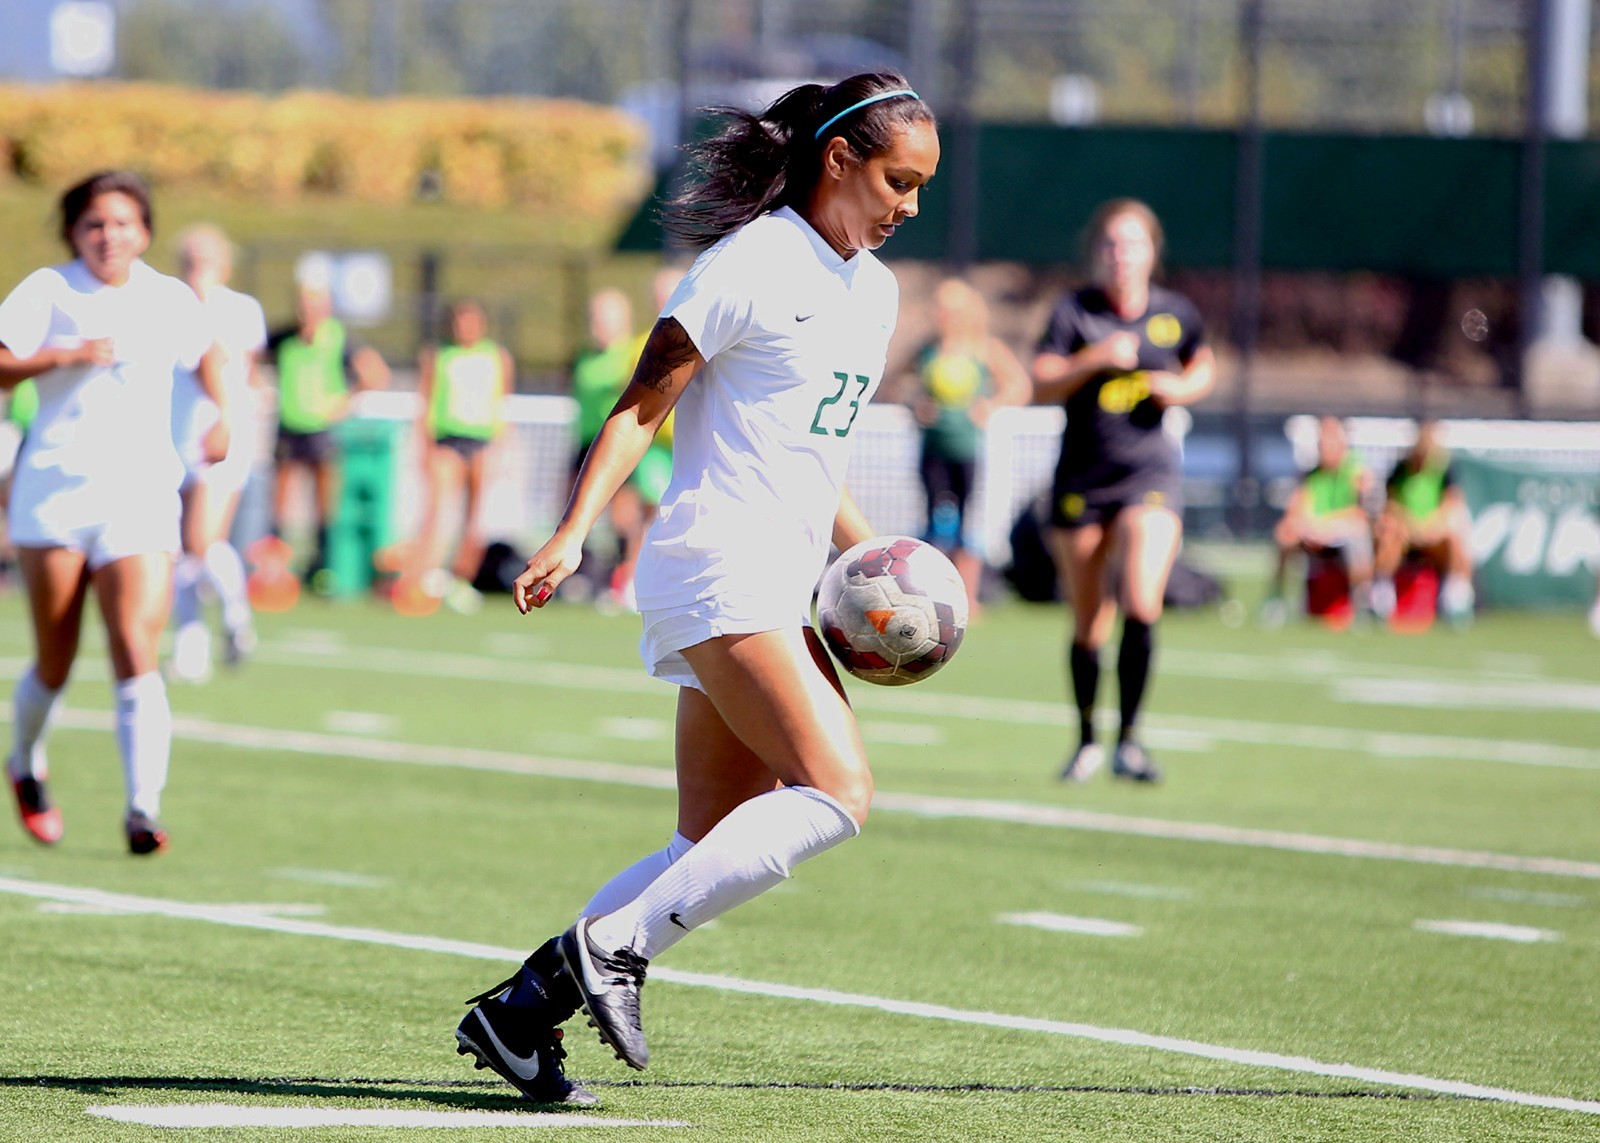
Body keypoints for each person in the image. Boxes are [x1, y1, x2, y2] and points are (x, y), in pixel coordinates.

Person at [452, 73, 939, 1105]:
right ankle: (614, 950)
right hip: (723, 562)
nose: (907, 207)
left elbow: (815, 459)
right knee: (837, 792)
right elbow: (642, 404)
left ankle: (520, 1013)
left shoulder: (875, 289)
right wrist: (574, 531)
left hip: (779, 574)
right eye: (896, 180)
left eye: (922, 190)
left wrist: (883, 563)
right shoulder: (752, 262)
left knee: (708, 832)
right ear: (838, 160)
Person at [0, 170, 219, 854]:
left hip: (141, 494)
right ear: (75, 231)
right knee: (56, 659)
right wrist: (64, 354)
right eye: (95, 224)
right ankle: (25, 765)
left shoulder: (168, 296)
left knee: (134, 645)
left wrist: (224, 416)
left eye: (122, 223)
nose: (108, 236)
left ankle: (141, 809)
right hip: (55, 491)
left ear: (145, 231)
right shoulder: (49, 289)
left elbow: (209, 355)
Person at [1032, 198, 1215, 785]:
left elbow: (1203, 365)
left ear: (1152, 252)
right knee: (1089, 623)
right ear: (1098, 252)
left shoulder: (1175, 313)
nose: (1121, 255)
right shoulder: (1074, 311)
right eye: (1112, 243)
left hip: (1148, 477)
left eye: (1133, 243)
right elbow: (1040, 381)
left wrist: (1181, 388)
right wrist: (1095, 358)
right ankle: (1088, 740)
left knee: (1141, 600)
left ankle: (1130, 742)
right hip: (1082, 481)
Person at [893, 277, 1028, 614]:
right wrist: (916, 404)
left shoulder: (984, 348)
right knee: (934, 523)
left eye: (951, 309)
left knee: (969, 523)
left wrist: (990, 406)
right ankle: (927, 593)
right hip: (932, 448)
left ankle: (967, 597)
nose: (944, 316)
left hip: (970, 449)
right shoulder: (927, 349)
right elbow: (894, 384)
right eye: (940, 309)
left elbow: (1019, 385)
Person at [168, 224, 268, 681]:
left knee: (201, 540)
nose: (196, 270)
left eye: (205, 261)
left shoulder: (239, 309)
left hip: (221, 437)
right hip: (173, 439)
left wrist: (229, 421)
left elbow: (232, 367)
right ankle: (192, 647)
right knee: (180, 549)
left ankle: (235, 615)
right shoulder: (168, 307)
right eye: (190, 261)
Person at [265, 278, 389, 588]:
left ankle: (322, 569)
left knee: (323, 504)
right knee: (279, 502)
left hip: (322, 430)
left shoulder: (338, 338)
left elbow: (375, 373)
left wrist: (344, 402)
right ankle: (276, 569)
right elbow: (252, 360)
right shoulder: (284, 338)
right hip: (289, 426)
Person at [409, 297, 514, 612]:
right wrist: (423, 445)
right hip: (447, 440)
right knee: (438, 510)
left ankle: (462, 578)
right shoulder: (437, 355)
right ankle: (424, 575)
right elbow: (425, 401)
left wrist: (501, 446)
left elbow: (501, 402)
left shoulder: (496, 356)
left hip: (481, 440)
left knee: (474, 516)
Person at [567, 287, 651, 608]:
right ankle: (583, 576)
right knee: (576, 514)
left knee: (624, 517)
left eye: (606, 319)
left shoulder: (632, 354)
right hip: (585, 443)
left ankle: (624, 580)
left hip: (617, 445)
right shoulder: (585, 358)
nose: (599, 326)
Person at [1262, 415, 1376, 626]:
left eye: (1329, 440)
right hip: (1316, 534)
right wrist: (1309, 527)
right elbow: (1297, 510)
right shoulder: (1309, 475)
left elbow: (1360, 514)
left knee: (1359, 537)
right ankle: (1276, 599)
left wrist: (1327, 526)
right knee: (1285, 533)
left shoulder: (1357, 472)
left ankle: (1362, 602)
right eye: (1321, 441)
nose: (1324, 446)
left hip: (1344, 533)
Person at [1371, 420, 1474, 628]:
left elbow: (1452, 505)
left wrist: (1431, 526)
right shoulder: (1401, 469)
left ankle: (1455, 597)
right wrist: (1408, 525)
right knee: (1389, 531)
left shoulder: (1444, 470)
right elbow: (1390, 506)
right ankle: (1382, 594)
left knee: (1456, 534)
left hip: (1433, 534)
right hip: (1406, 533)